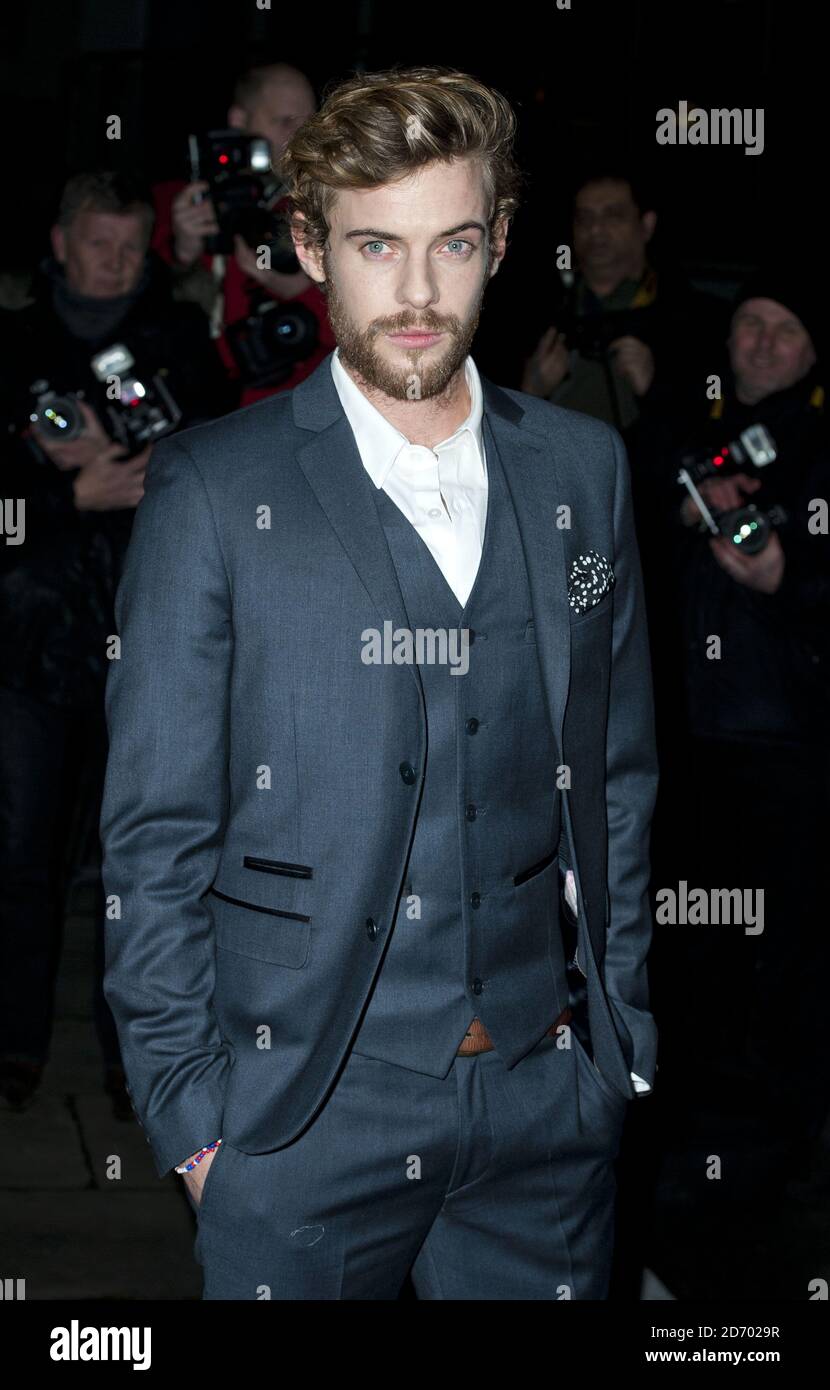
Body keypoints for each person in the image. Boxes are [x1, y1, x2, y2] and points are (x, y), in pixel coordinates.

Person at [100, 66, 659, 1300]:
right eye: (374, 246)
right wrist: (197, 1124)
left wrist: (614, 1043)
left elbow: (615, 777)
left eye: (451, 244)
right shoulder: (210, 491)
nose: (415, 294)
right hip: (296, 1117)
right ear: (309, 245)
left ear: (499, 242)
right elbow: (154, 834)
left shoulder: (582, 472)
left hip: (541, 1108)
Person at [0, 170, 227, 1114]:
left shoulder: (178, 343)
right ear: (59, 243)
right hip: (23, 643)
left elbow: (222, 473)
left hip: (150, 643)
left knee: (140, 863)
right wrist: (68, 497)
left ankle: (134, 1058)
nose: (116, 261)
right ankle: (13, 1048)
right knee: (19, 853)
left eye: (132, 245)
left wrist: (153, 476)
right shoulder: (11, 350)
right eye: (98, 242)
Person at [642, 268, 830, 1197]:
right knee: (684, 942)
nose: (760, 344)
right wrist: (680, 511)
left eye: (784, 329)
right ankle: (685, 1139)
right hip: (680, 738)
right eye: (749, 324)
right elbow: (604, 539)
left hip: (785, 745)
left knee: (782, 955)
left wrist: (785, 579)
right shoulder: (681, 419)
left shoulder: (824, 445)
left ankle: (772, 1159)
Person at [152, 61, 336, 407]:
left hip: (286, 407)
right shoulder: (181, 200)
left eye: (308, 125)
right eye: (283, 122)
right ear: (239, 121)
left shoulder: (329, 208)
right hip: (190, 411)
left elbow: (359, 337)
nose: (300, 139)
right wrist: (183, 251)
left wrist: (304, 290)